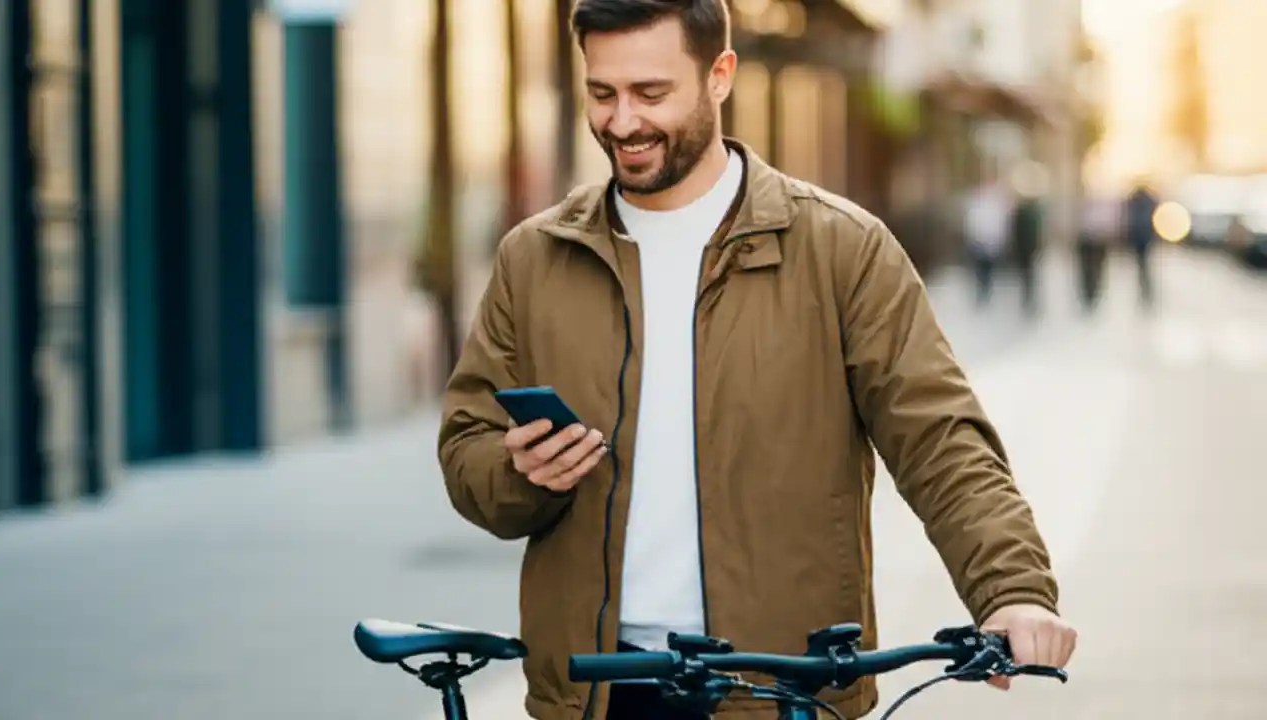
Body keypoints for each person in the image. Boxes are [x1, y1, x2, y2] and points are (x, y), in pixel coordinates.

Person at [437, 2, 1077, 718]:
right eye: (602, 93)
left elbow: (939, 437)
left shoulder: (839, 250)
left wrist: (1011, 589)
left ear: (720, 76)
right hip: (597, 689)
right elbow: (467, 449)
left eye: (651, 93)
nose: (622, 122)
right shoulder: (535, 259)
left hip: (781, 685)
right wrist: (519, 473)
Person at [961, 171, 1012, 307]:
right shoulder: (977, 202)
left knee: (988, 269)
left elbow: (1000, 222)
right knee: (979, 269)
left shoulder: (995, 202)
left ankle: (986, 291)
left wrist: (999, 239)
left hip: (991, 241)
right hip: (979, 240)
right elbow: (972, 221)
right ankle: (981, 292)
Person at [1123, 181, 1160, 307]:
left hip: (1140, 237)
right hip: (1144, 237)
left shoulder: (1135, 202)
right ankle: (1146, 289)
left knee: (1142, 264)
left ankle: (1145, 289)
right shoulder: (1147, 202)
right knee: (1143, 264)